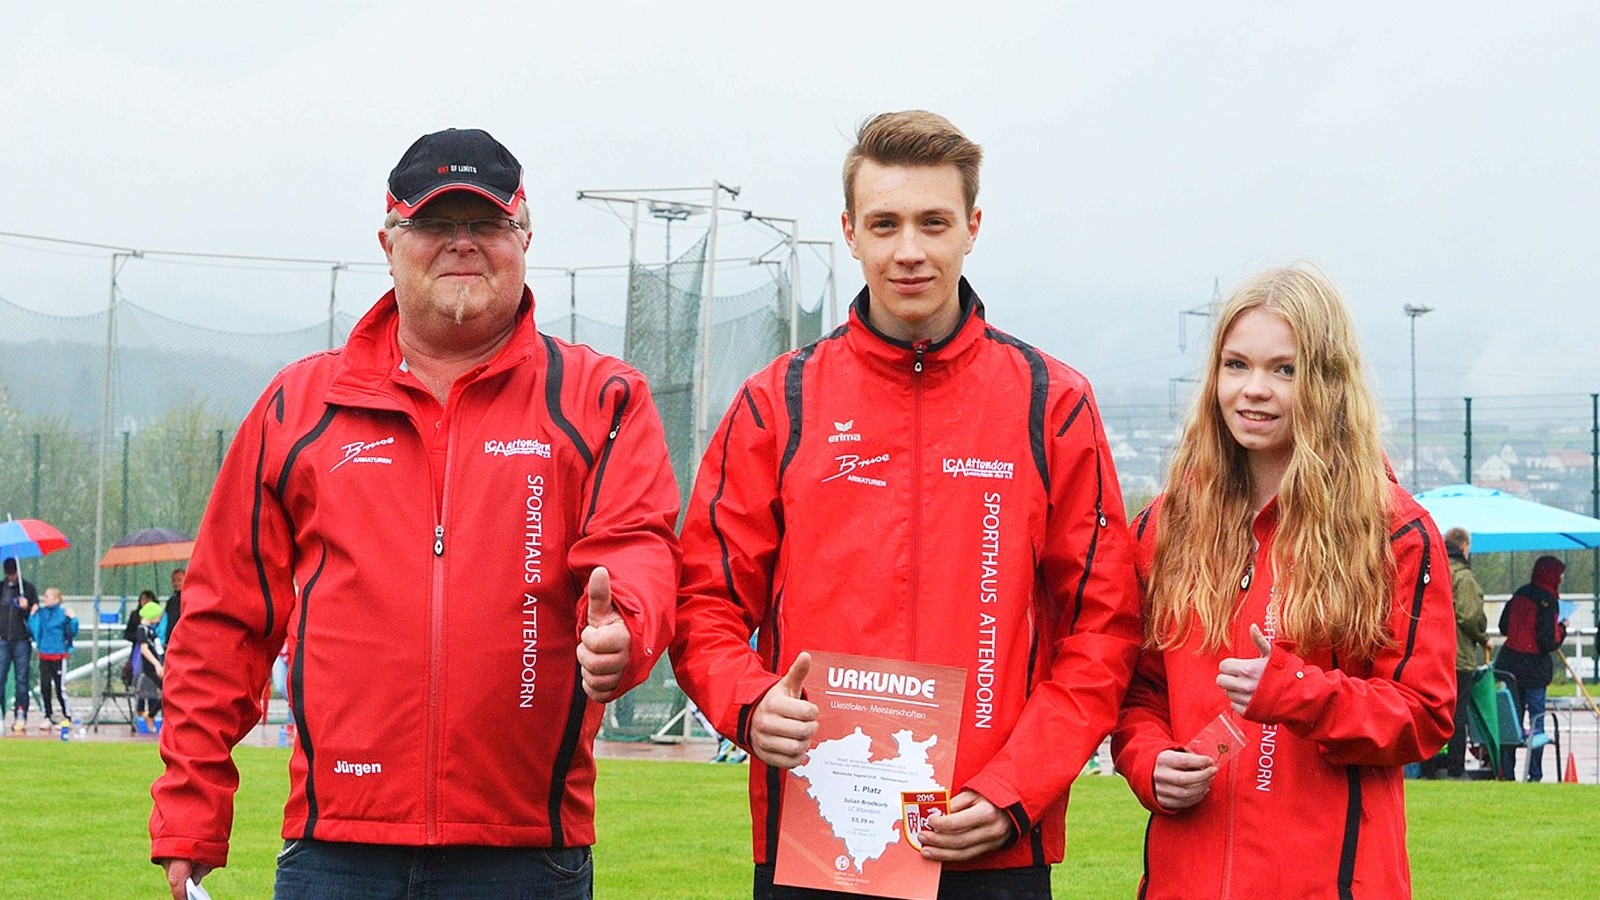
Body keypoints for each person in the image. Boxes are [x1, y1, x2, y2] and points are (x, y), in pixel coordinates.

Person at [148, 127, 681, 900]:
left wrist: (625, 626)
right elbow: (222, 622)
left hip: (528, 853)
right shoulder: (298, 406)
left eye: (487, 223)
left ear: (525, 235)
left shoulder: (600, 397)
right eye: (435, 224)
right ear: (388, 241)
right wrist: (192, 814)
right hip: (336, 850)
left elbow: (638, 548)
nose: (461, 244)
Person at [670, 110, 1142, 899]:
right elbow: (703, 602)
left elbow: (1104, 626)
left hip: (988, 836)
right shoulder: (777, 402)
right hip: (821, 839)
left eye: (934, 222)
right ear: (851, 232)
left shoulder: (1050, 402)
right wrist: (750, 704)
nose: (910, 250)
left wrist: (1017, 789)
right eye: (885, 224)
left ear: (973, 228)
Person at [1111, 266, 1456, 898]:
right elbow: (1137, 691)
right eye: (1236, 365)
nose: (1254, 390)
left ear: (1327, 383)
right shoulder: (1165, 526)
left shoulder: (1395, 533)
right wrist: (1148, 761)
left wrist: (1300, 692)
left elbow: (1425, 715)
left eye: (1284, 370)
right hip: (1182, 879)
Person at [1495, 555, 1567, 782]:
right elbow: (1547, 641)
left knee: (1510, 722)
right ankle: (1534, 773)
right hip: (1535, 670)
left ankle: (1507, 772)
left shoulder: (1520, 593)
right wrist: (1562, 630)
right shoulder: (1549, 601)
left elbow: (1503, 626)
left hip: (1509, 666)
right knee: (1538, 722)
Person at [1434, 527, 1488, 779]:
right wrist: (1483, 636)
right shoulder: (1464, 578)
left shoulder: (1432, 568)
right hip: (1459, 655)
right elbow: (1469, 616)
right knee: (1457, 713)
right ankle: (1455, 768)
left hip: (1432, 654)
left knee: (1431, 711)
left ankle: (1429, 767)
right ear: (1464, 546)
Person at [28, 586, 79, 729]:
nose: (44, 599)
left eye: (47, 596)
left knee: (59, 687)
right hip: (44, 654)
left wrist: (73, 619)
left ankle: (67, 716)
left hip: (58, 655)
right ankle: (47, 716)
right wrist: (32, 615)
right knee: (44, 686)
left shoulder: (63, 614)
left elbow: (72, 631)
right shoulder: (42, 614)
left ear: (56, 599)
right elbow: (34, 629)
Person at [0, 557, 40, 732]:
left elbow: (34, 613)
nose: (11, 577)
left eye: (13, 573)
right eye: (8, 574)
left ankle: (20, 712)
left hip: (22, 640)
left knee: (21, 679)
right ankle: (1, 714)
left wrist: (27, 606)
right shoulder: (0, 588)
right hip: (3, 640)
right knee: (0, 677)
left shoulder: (28, 589)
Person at [132, 598, 167, 733]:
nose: (159, 618)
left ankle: (152, 715)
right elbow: (144, 649)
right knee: (167, 692)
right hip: (150, 668)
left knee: (167, 691)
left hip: (157, 665)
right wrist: (157, 664)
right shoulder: (142, 630)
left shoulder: (151, 630)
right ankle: (150, 715)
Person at [162, 567, 185, 641]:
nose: (176, 583)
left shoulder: (189, 598)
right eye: (174, 580)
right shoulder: (171, 601)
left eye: (179, 580)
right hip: (172, 637)